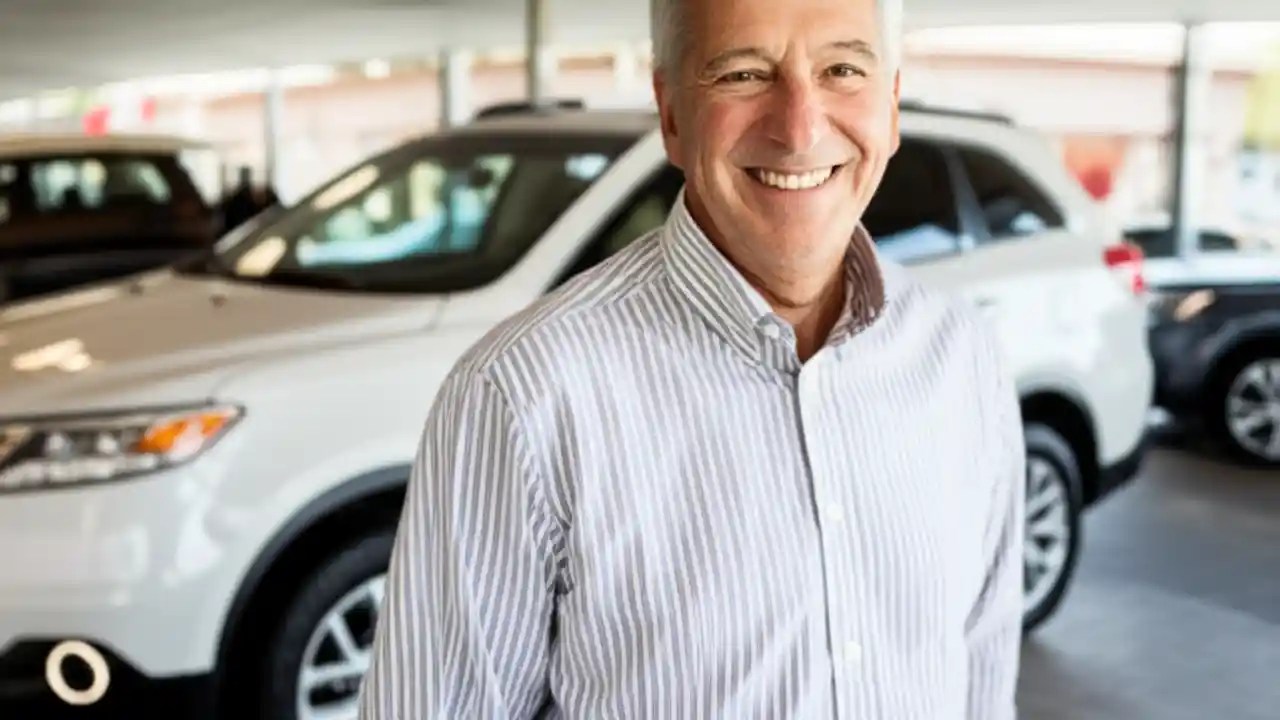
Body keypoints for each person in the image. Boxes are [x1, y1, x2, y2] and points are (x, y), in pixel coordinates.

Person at [359, 0, 1025, 717]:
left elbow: (981, 674)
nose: (799, 127)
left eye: (841, 69)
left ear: (890, 106)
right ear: (671, 114)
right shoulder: (523, 394)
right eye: (743, 73)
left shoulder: (963, 358)